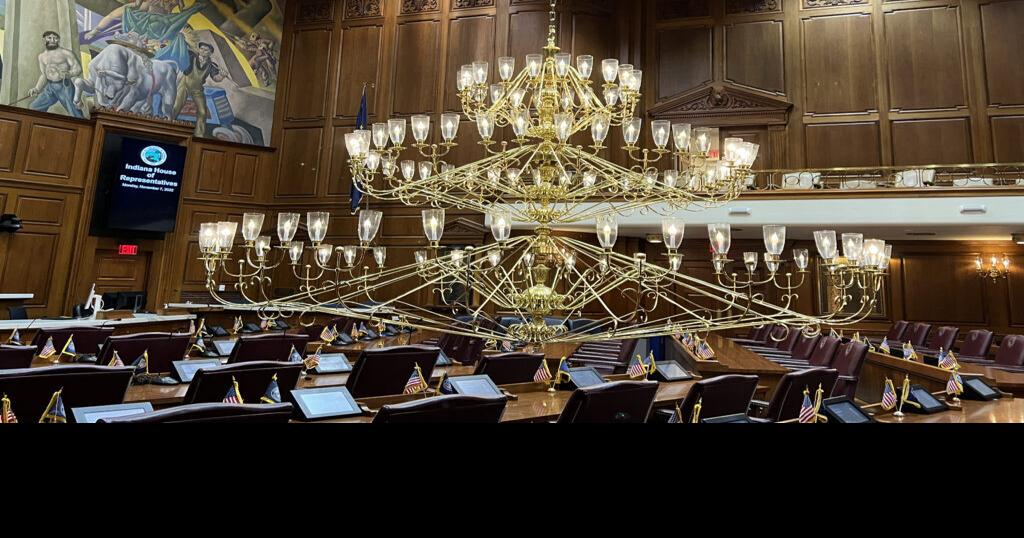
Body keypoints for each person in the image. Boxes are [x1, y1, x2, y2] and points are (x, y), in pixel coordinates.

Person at [172, 42, 225, 137]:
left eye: (206, 50)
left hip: (198, 89)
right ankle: (169, 124)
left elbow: (216, 78)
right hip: (184, 84)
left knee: (203, 112)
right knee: (176, 106)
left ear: (210, 53)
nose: (202, 51)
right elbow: (181, 49)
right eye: (201, 48)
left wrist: (222, 75)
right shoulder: (191, 55)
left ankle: (199, 135)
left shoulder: (212, 65)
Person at [28, 32, 84, 118]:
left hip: (65, 86)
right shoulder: (41, 56)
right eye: (49, 38)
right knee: (34, 108)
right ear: (44, 39)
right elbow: (44, 75)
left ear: (58, 40)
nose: (52, 40)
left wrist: (69, 74)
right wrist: (37, 88)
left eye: (55, 38)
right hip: (50, 87)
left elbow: (78, 68)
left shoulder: (66, 53)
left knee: (75, 113)